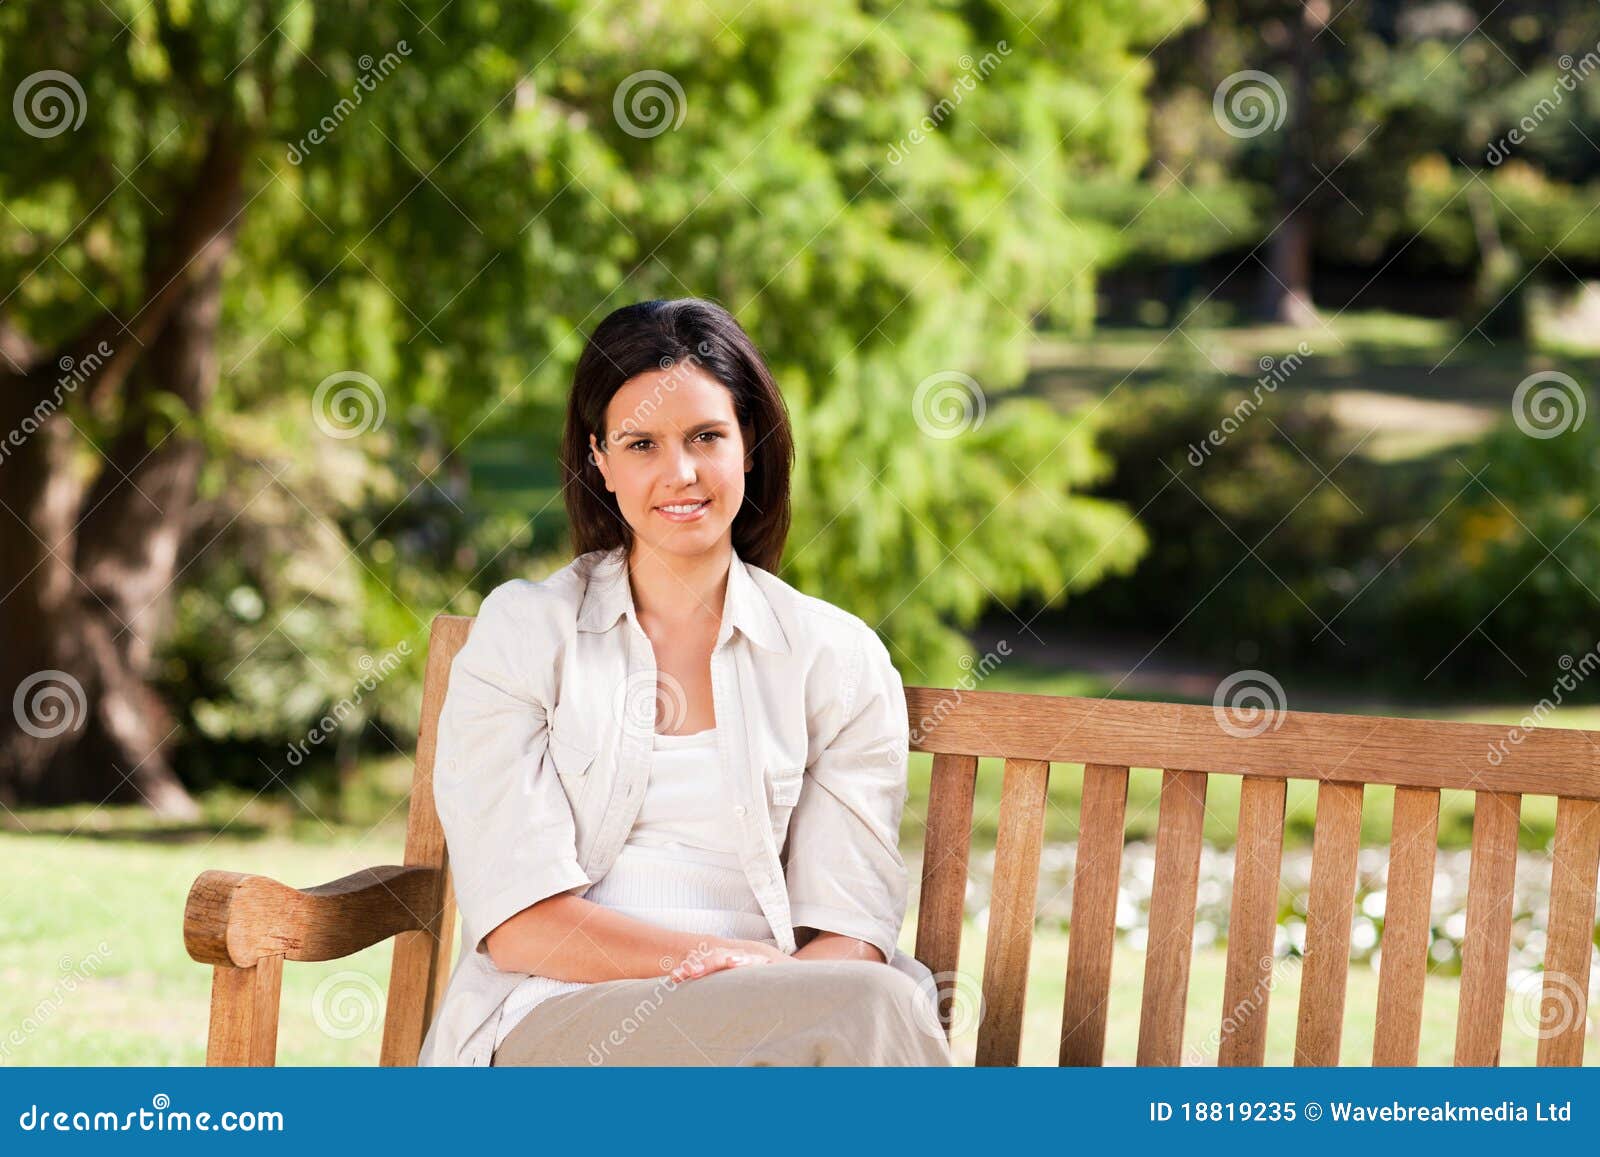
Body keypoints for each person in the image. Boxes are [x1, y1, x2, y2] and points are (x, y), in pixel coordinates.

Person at [417, 297, 953, 1067]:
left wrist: (770, 994)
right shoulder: (527, 633)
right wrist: (722, 962)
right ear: (599, 460)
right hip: (557, 1014)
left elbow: (851, 927)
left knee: (871, 1003)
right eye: (641, 443)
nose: (681, 472)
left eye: (707, 435)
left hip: (777, 1020)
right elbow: (522, 923)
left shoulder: (835, 657)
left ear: (750, 447)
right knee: (873, 1011)